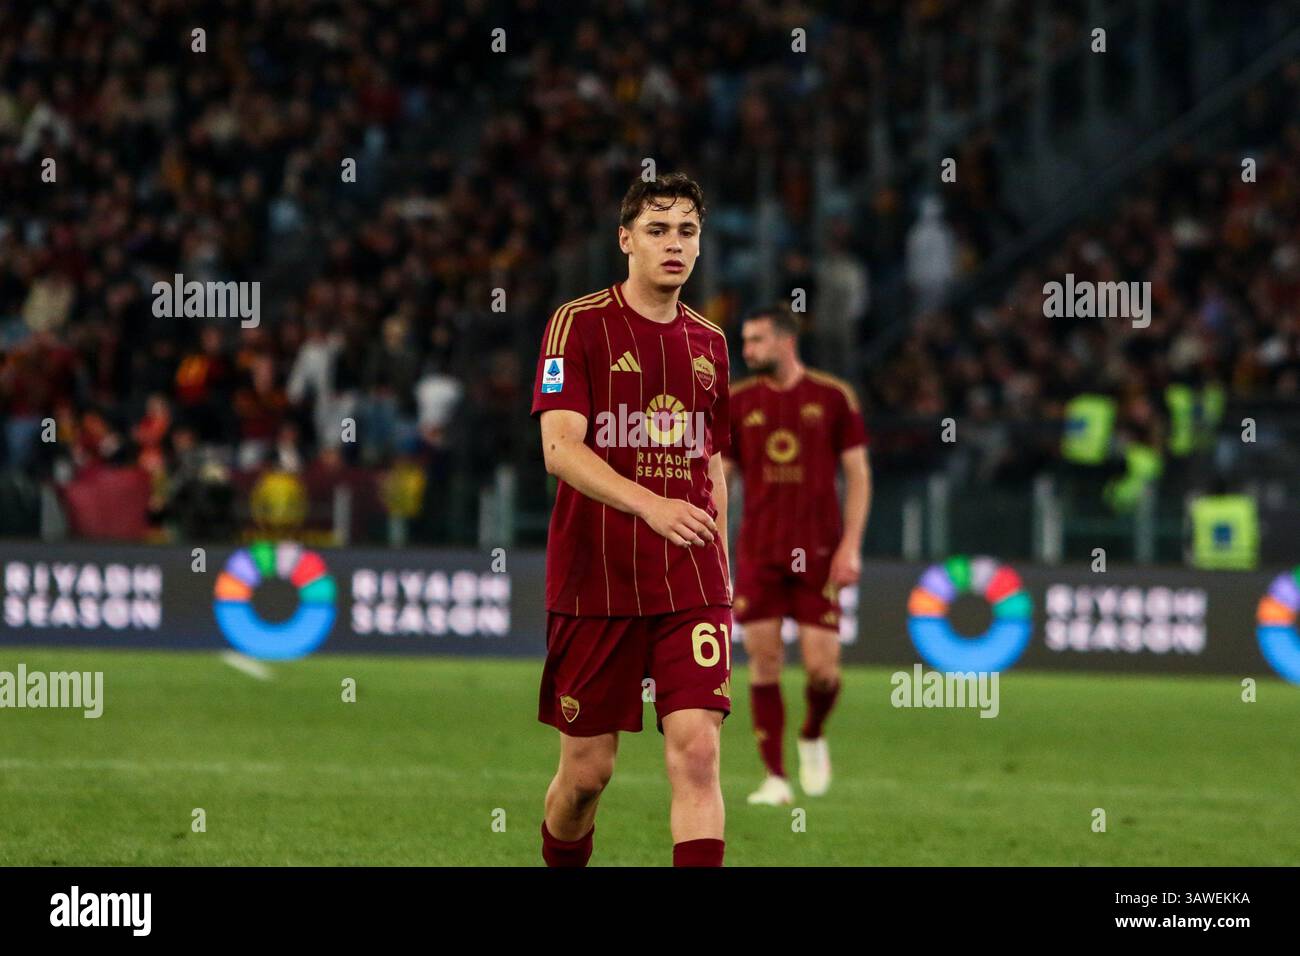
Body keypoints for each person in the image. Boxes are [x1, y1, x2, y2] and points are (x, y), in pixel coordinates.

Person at [530, 173, 733, 867]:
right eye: (657, 229)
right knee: (587, 777)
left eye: (687, 231)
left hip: (690, 583)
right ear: (625, 240)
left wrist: (724, 576)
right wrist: (651, 505)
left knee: (699, 753)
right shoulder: (578, 324)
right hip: (597, 582)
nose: (673, 244)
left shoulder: (711, 343)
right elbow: (559, 449)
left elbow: (711, 467)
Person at [724, 304, 872, 804]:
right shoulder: (737, 403)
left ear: (786, 341)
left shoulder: (832, 398)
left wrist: (850, 547)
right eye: (744, 342)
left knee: (823, 671)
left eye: (756, 340)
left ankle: (811, 732)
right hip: (759, 555)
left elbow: (858, 476)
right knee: (764, 663)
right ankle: (775, 777)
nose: (747, 351)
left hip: (820, 556)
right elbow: (720, 482)